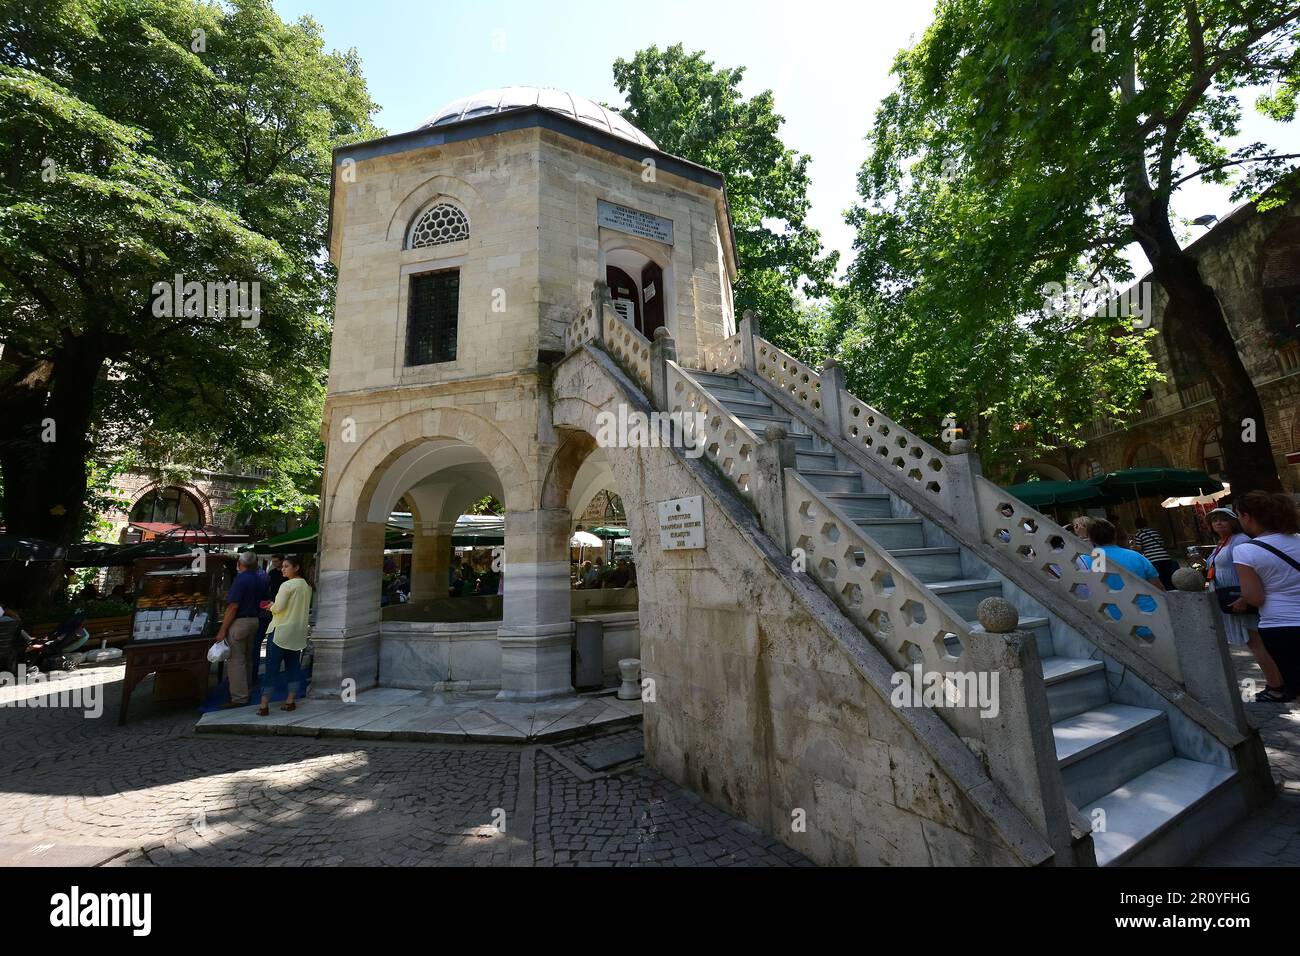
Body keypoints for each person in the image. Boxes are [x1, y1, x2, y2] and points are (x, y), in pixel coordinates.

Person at [1205, 506, 1284, 701]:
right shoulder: (1221, 543)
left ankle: (1276, 685)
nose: (1218, 523)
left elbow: (1251, 569)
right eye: (1214, 520)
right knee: (1254, 642)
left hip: (1243, 597)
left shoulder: (1240, 541)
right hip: (1230, 597)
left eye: (1223, 519)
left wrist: (1245, 596)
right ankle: (1277, 682)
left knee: (1257, 642)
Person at [1233, 492, 1300, 703]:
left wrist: (1244, 597)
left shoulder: (1245, 550)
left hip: (1282, 625)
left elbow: (1255, 598)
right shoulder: (1298, 538)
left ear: (1247, 516)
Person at [1080, 518, 1164, 634]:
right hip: (1151, 616)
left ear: (1090, 538)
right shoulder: (1136, 557)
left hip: (1115, 621)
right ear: (1115, 534)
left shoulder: (1086, 562)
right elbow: (1158, 588)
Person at [258, 554, 314, 716]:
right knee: (293, 666)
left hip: (280, 630)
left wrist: (269, 606)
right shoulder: (307, 586)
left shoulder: (287, 585)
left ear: (296, 568)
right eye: (282, 566)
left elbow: (279, 607)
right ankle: (290, 701)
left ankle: (264, 705)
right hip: (298, 632)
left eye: (286, 566)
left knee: (271, 668)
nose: (282, 569)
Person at [212, 551, 268, 708]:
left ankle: (239, 697)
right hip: (255, 620)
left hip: (240, 621)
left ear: (240, 563)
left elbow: (233, 606)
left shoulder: (240, 580)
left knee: (236, 660)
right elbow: (265, 602)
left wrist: (222, 629)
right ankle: (246, 689)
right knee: (248, 657)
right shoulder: (261, 579)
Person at [1131, 516, 1179, 589]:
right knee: (1168, 577)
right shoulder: (1154, 531)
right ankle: (1172, 593)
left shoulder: (1139, 534)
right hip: (1165, 557)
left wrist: (1133, 547)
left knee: (1160, 578)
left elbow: (1139, 548)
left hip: (1153, 559)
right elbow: (1162, 543)